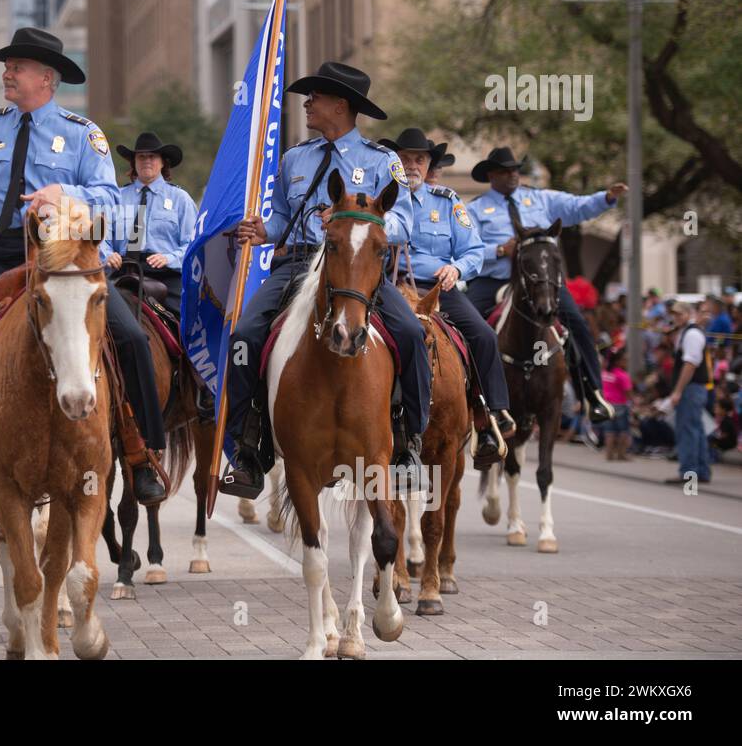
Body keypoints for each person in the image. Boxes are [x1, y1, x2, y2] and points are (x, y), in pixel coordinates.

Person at [0, 26, 167, 509]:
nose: (6, 73)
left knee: (130, 338)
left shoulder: (83, 134)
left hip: (62, 256)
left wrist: (63, 195)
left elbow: (110, 196)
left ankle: (140, 453)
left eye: (15, 66)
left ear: (46, 78)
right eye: (6, 66)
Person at [221, 61, 431, 497]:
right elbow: (281, 218)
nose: (307, 103)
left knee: (411, 332)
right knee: (244, 337)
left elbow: (406, 225)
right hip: (297, 265)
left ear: (341, 105)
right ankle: (246, 448)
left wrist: (356, 222)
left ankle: (410, 443)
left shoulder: (382, 161)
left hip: (357, 272)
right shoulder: (295, 157)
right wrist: (263, 231)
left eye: (315, 97)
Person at [380, 127, 516, 466]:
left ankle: (490, 416)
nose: (412, 165)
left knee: (483, 335)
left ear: (428, 165)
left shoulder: (448, 200)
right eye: (405, 158)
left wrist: (455, 269)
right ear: (394, 162)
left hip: (437, 289)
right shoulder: (379, 199)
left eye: (420, 159)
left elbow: (474, 251)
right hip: (390, 287)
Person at [463, 146, 626, 423]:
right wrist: (500, 251)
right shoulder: (474, 209)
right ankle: (467, 396)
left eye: (515, 170)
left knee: (577, 324)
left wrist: (606, 198)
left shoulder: (540, 199)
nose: (513, 176)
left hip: (541, 282)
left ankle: (593, 394)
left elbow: (577, 207)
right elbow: (466, 249)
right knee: (464, 327)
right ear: (491, 175)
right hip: (494, 279)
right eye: (505, 171)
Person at [106, 131, 198, 320]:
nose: (146, 160)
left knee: (186, 322)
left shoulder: (181, 199)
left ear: (163, 162)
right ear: (134, 163)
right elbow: (98, 237)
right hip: (122, 272)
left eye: (152, 156)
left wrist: (169, 258)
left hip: (166, 276)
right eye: (141, 157)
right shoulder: (114, 197)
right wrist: (107, 254)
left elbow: (193, 244)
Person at [666, 302, 712, 485]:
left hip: (691, 388)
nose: (676, 317)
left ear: (689, 314)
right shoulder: (687, 332)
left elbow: (690, 364)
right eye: (674, 314)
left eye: (679, 314)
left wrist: (678, 390)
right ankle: (701, 471)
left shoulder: (691, 334)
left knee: (688, 430)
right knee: (696, 430)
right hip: (695, 388)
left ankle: (689, 473)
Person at [602, 347, 634, 461]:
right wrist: (634, 404)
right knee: (623, 431)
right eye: (624, 360)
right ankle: (621, 454)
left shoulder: (604, 373)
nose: (626, 362)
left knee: (609, 432)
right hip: (620, 405)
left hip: (607, 405)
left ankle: (609, 454)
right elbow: (629, 393)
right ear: (618, 361)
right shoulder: (622, 375)